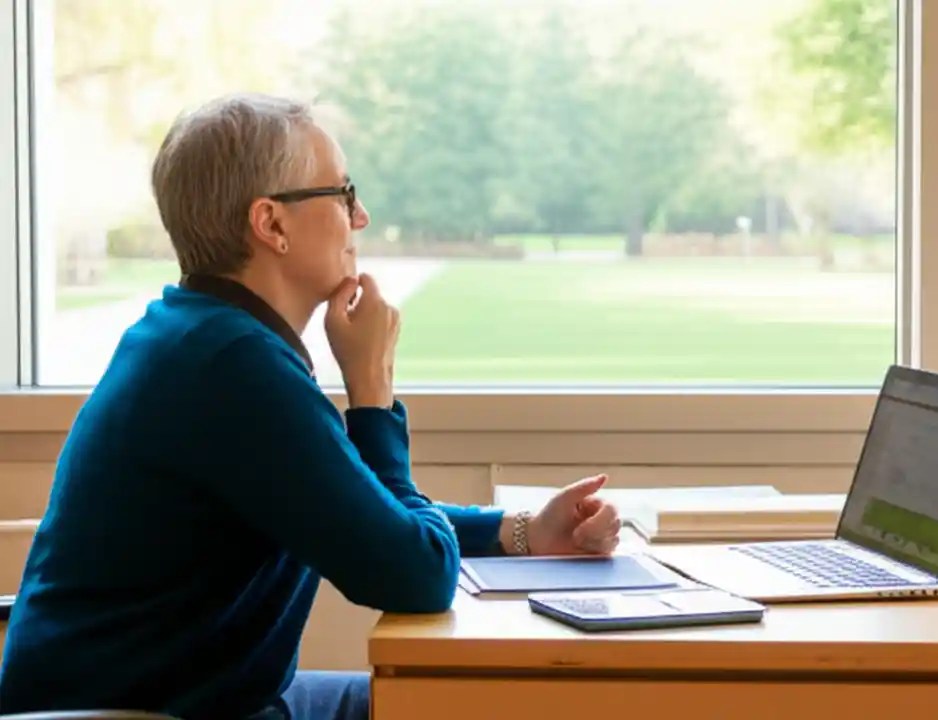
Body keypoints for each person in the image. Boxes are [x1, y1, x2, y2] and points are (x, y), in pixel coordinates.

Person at [0, 93, 621, 720]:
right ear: (272, 224)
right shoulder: (232, 368)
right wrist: (373, 393)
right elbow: (416, 574)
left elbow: (359, 515)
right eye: (343, 194)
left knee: (445, 700)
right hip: (144, 716)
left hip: (193, 701)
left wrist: (523, 532)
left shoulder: (203, 337)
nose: (362, 217)